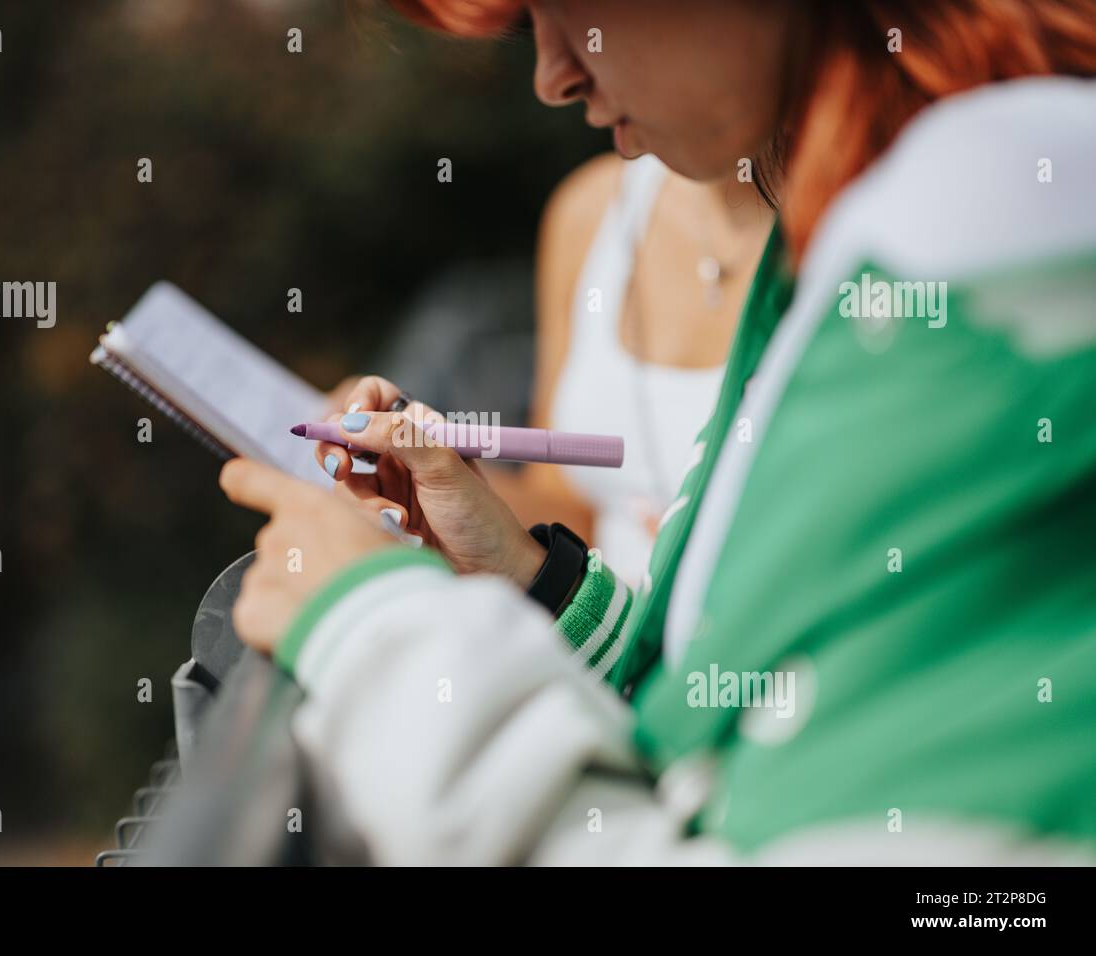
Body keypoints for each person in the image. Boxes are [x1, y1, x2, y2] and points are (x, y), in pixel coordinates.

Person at [219, 0, 1096, 864]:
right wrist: (530, 577)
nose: (554, 76)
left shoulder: (996, 232)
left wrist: (378, 634)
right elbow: (726, 731)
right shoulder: (857, 237)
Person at [479, 153, 771, 582]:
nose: (555, 86)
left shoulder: (862, 228)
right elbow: (569, 516)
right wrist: (422, 476)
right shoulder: (591, 209)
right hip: (598, 636)